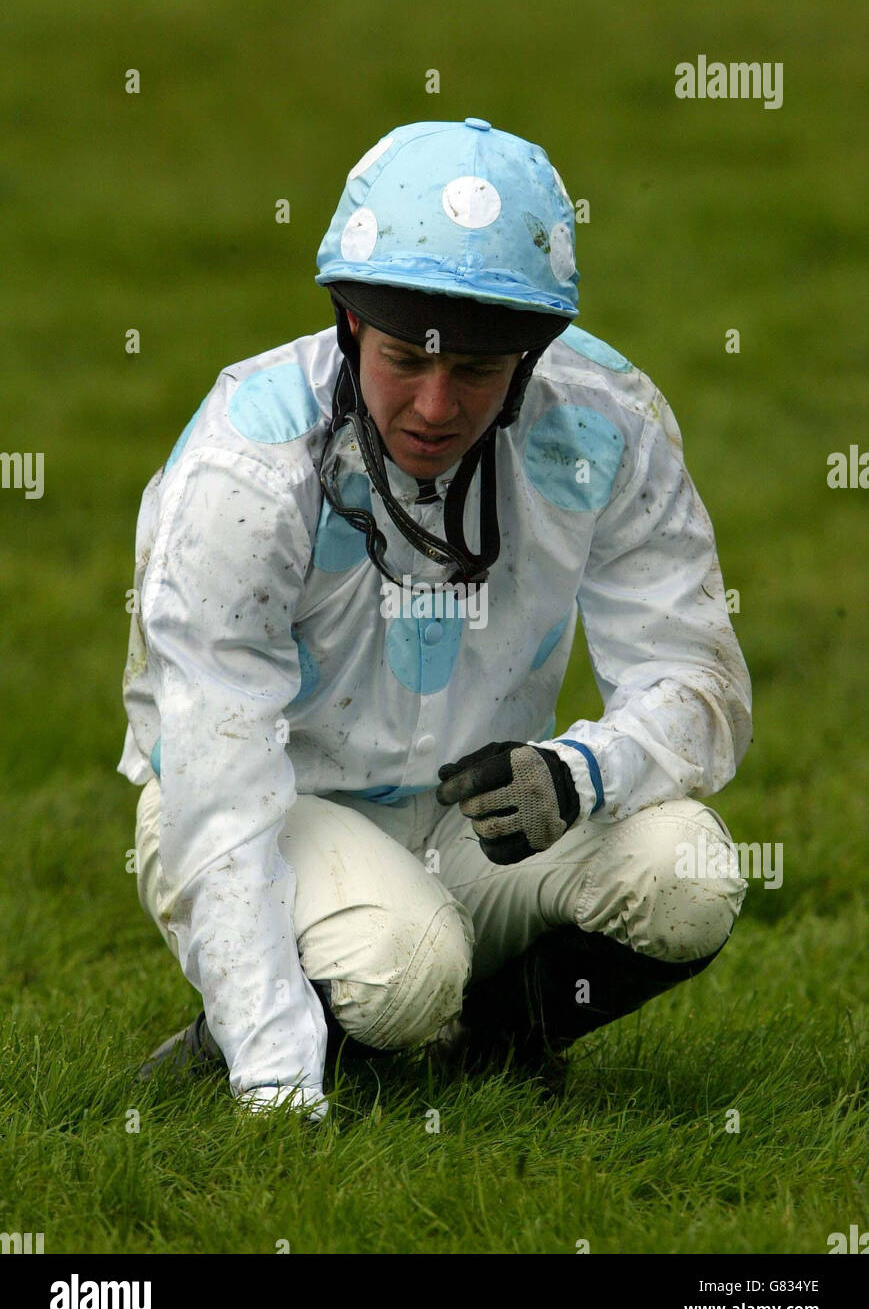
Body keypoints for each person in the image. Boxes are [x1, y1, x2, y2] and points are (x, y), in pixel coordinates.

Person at [119, 118, 752, 1122]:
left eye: (475, 369)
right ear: (345, 325)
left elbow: (695, 684)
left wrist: (580, 771)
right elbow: (215, 773)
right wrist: (275, 1080)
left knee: (691, 871)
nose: (431, 404)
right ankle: (244, 1038)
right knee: (402, 965)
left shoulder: (608, 422)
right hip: (266, 802)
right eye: (402, 360)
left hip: (468, 823)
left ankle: (492, 1053)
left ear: (533, 356)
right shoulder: (244, 466)